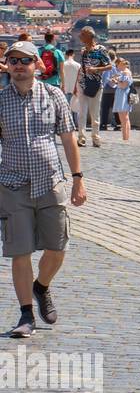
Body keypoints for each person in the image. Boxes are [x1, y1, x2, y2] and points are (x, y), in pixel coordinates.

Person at [0, 40, 86, 339]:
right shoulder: (0, 100)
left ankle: (42, 286)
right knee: (19, 251)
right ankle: (26, 314)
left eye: (25, 61)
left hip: (50, 180)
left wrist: (77, 178)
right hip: (12, 184)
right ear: (7, 66)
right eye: (13, 61)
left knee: (58, 247)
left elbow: (67, 138)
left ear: (37, 64)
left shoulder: (53, 96)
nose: (19, 66)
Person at [73, 27, 111, 149]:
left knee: (95, 113)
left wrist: (96, 69)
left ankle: (96, 138)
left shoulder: (101, 50)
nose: (80, 37)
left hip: (95, 85)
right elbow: (81, 69)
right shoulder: (83, 50)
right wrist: (75, 84)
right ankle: (81, 138)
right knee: (81, 112)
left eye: (82, 35)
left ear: (89, 36)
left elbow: (109, 66)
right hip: (82, 83)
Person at [104, 57, 133, 142]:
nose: (117, 68)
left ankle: (125, 138)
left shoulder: (125, 72)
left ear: (121, 64)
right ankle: (126, 137)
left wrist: (116, 82)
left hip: (123, 96)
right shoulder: (126, 72)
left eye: (117, 66)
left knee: (123, 118)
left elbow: (123, 85)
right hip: (124, 95)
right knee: (126, 118)